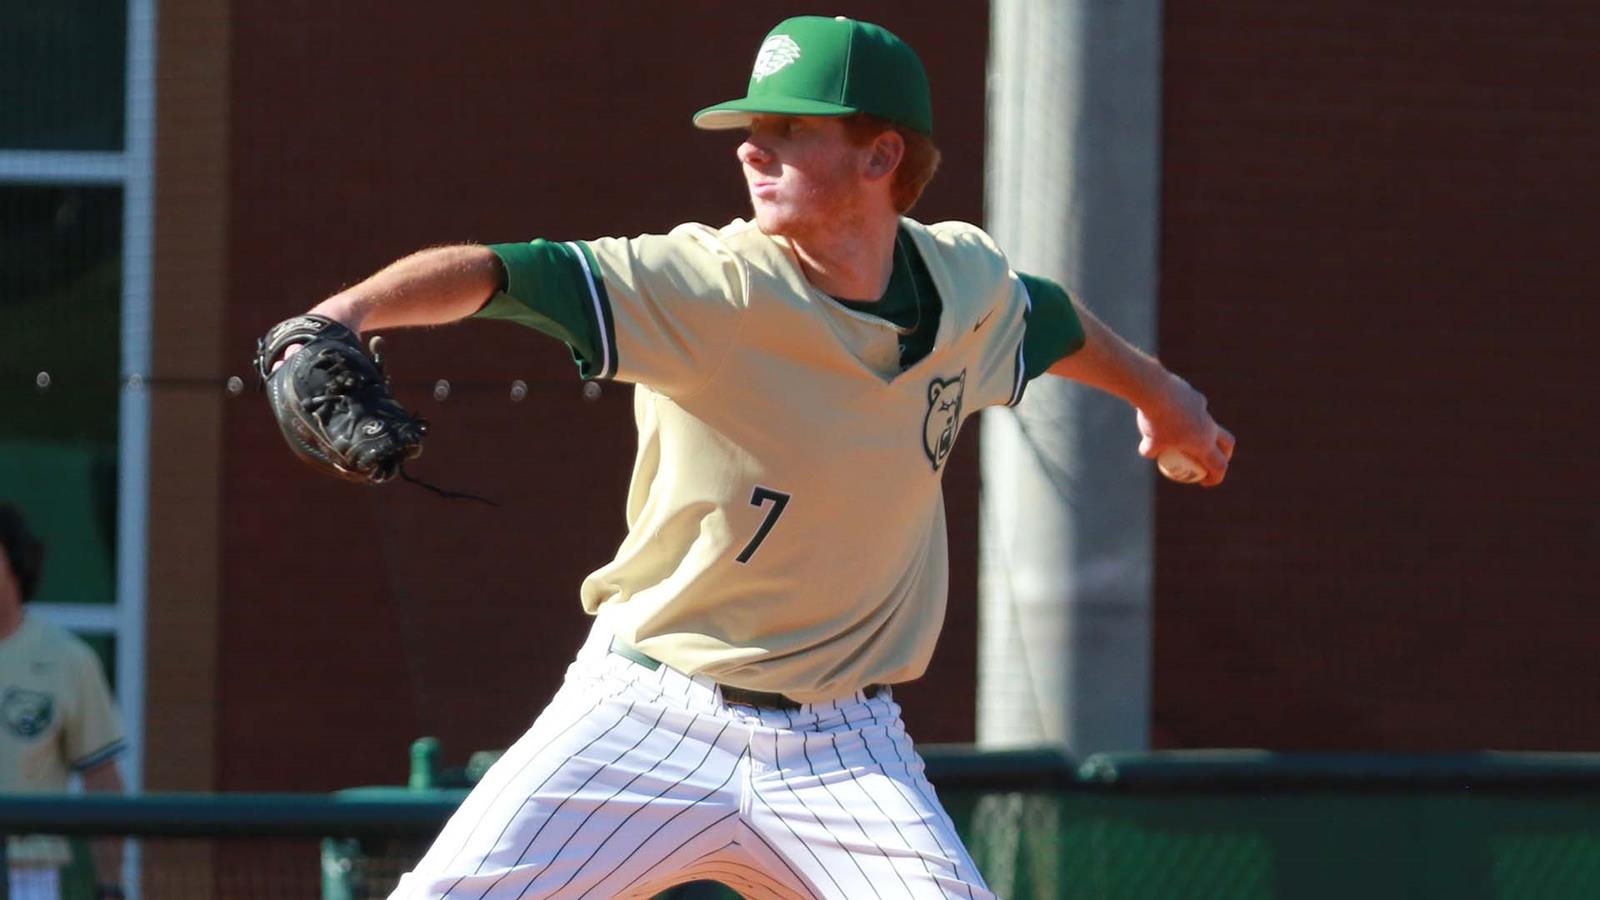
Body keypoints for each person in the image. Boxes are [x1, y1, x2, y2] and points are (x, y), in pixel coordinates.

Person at [270, 16, 1233, 898]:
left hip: (844, 747)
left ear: (882, 154)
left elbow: (1051, 319)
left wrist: (1166, 397)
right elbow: (506, 273)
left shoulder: (965, 281)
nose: (749, 146)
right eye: (749, 126)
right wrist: (339, 317)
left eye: (787, 128)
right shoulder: (709, 286)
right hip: (645, 714)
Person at [0, 505, 127, 900]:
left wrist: (112, 885)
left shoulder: (67, 660)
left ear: (14, 562)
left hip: (28, 875)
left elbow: (102, 779)